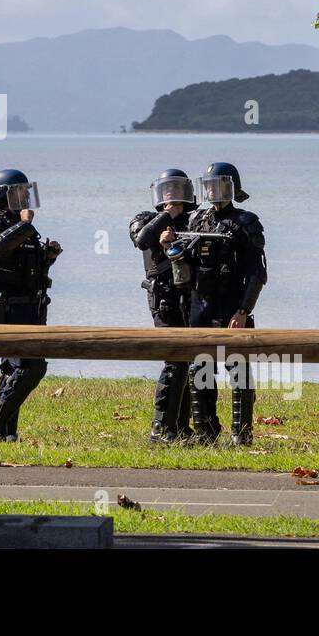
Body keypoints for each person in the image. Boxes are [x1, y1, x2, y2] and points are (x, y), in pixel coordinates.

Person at [0, 168, 62, 442]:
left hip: (33, 304)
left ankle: (6, 430)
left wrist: (49, 256)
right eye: (20, 192)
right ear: (4, 194)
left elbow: (23, 265)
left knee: (14, 367)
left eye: (26, 192)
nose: (25, 198)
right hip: (9, 304)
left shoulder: (16, 222)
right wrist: (25, 225)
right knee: (30, 367)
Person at [184, 162, 267, 446]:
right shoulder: (197, 220)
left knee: (238, 370)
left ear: (232, 188)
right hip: (201, 306)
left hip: (232, 305)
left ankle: (240, 435)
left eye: (219, 185)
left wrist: (243, 311)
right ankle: (206, 432)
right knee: (199, 369)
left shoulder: (246, 222)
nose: (212, 191)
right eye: (208, 185)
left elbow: (257, 273)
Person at [129, 168, 198, 443]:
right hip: (163, 299)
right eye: (167, 189)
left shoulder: (196, 220)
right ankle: (161, 428)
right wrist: (166, 216)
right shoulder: (146, 218)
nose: (172, 194)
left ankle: (180, 427)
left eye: (178, 188)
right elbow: (141, 239)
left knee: (187, 361)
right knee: (175, 359)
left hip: (189, 298)